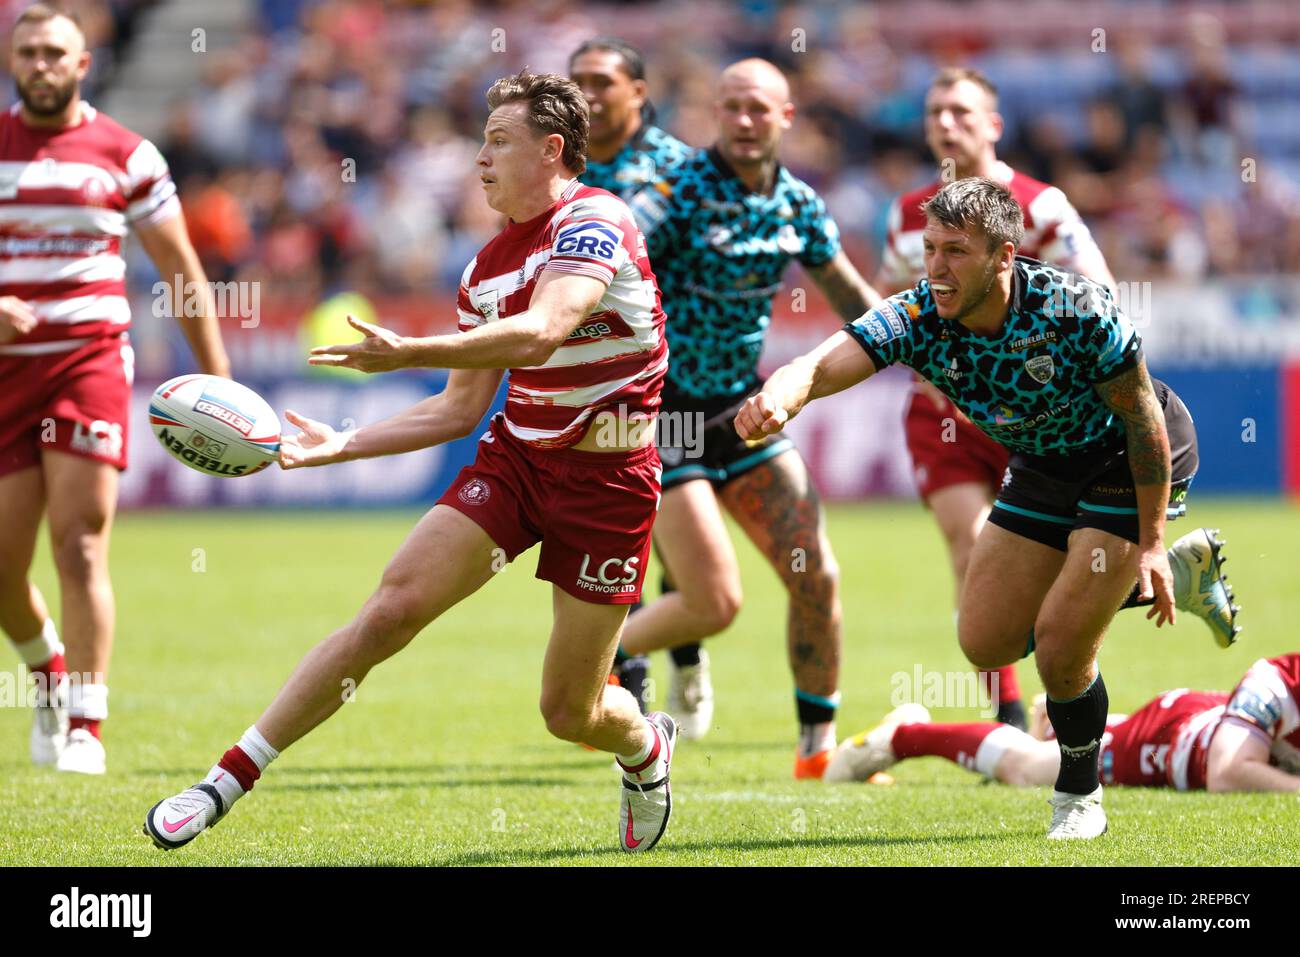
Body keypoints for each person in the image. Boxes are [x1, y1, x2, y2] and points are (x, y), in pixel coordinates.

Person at [145, 70, 677, 854]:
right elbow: (460, 409)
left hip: (610, 483)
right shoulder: (482, 268)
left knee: (569, 713)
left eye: (499, 140)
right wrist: (342, 443)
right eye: (481, 140)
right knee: (388, 612)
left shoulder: (595, 219)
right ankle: (223, 780)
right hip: (518, 464)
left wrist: (408, 351)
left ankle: (644, 748)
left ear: (552, 149)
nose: (480, 158)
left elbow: (543, 330)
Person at [735, 176, 1222, 838]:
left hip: (1121, 463)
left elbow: (1143, 420)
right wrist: (782, 397)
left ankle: (1078, 795)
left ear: (1004, 255)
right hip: (1043, 468)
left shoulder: (1076, 309)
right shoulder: (918, 317)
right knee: (985, 637)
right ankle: (1157, 583)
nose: (935, 266)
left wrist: (1155, 538)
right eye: (930, 248)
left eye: (955, 251)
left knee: (1059, 649)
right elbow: (824, 362)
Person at [873, 68, 1238, 730]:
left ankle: (1085, 658)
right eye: (933, 113)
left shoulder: (1040, 204)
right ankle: (1009, 714)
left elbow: (1097, 290)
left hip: (1048, 412)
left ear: (993, 125)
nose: (944, 125)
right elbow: (885, 299)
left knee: (1069, 575)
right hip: (948, 411)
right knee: (968, 542)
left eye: (960, 111)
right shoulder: (908, 213)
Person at [618, 59, 883, 778]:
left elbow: (852, 294)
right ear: (714, 111)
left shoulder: (797, 203)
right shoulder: (674, 191)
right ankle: (611, 655)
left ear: (785, 117)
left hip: (743, 409)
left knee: (817, 575)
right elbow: (612, 252)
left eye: (757, 109)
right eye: (729, 107)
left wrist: (922, 351)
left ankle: (816, 751)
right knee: (713, 601)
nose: (742, 120)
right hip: (660, 415)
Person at [0, 3, 230, 774]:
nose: (39, 64)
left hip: (88, 364)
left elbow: (181, 269)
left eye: (53, 52)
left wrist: (218, 378)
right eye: (26, 51)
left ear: (83, 62)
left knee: (81, 543)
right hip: (4, 373)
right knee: (4, 568)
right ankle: (46, 673)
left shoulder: (127, 154)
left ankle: (85, 728)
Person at [569, 37, 692, 709]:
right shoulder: (561, 169)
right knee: (616, 517)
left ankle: (689, 646)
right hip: (588, 375)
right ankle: (630, 680)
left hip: (672, 372)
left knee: (678, 520)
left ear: (638, 92)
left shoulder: (681, 168)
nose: (587, 91)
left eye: (602, 80)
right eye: (577, 79)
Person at [824, 653, 1300, 795]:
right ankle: (898, 737)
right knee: (1028, 767)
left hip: (1204, 716)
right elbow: (1227, 772)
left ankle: (1055, 720)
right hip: (1171, 741)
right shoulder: (1276, 679)